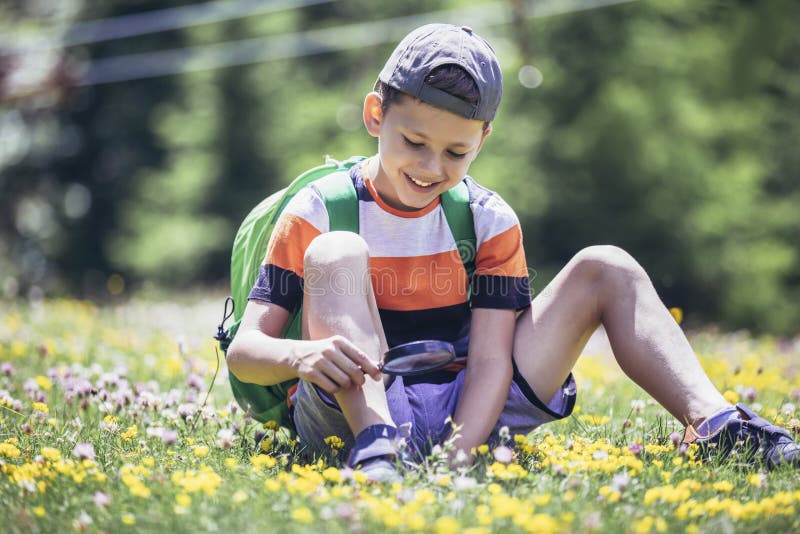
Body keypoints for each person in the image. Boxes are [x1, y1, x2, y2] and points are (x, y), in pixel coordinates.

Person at [226, 23, 799, 480]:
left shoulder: (487, 219)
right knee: (337, 250)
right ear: (376, 115)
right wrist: (301, 356)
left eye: (456, 152)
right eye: (413, 142)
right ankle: (377, 450)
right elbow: (245, 349)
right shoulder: (320, 208)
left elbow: (493, 360)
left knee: (607, 265)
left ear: (483, 140)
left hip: (472, 404)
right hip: (345, 413)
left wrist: (457, 459)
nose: (431, 168)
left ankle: (718, 423)